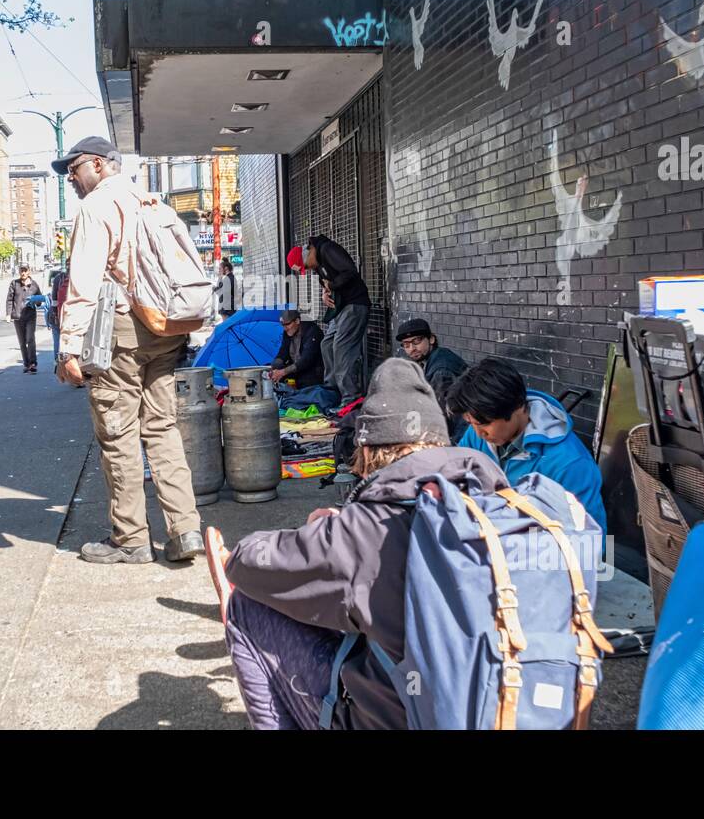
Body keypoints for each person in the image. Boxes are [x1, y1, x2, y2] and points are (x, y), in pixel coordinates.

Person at [203, 359, 511, 728]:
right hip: (515, 708)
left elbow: (247, 562)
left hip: (405, 717)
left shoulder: (368, 529)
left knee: (245, 603)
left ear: (368, 450)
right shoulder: (506, 503)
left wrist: (327, 536)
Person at [52, 136, 203, 564]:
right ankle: (185, 530)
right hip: (165, 327)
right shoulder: (153, 202)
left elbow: (83, 283)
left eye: (75, 168)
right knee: (162, 429)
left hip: (123, 332)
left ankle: (131, 538)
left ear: (99, 165)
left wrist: (69, 349)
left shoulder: (98, 206)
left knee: (118, 435)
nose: (72, 178)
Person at [449, 357, 606, 536]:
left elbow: (590, 541)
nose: (478, 433)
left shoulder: (570, 464)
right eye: (471, 423)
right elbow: (458, 473)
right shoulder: (477, 436)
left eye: (484, 424)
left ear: (517, 409)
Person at [305, 235, 370, 408]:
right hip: (340, 309)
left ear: (309, 252)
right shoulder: (318, 265)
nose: (307, 269)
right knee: (326, 344)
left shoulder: (327, 249)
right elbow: (326, 284)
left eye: (304, 265)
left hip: (354, 304)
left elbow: (350, 271)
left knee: (341, 348)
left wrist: (332, 286)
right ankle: (332, 390)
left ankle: (351, 398)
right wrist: (325, 293)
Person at [395, 318, 469, 442]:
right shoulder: (435, 358)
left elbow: (440, 416)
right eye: (406, 345)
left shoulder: (441, 371)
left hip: (460, 437)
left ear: (431, 339)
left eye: (417, 341)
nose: (412, 348)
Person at [269, 310, 325, 391]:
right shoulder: (287, 332)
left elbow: (307, 360)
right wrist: (274, 366)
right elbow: (283, 352)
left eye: (287, 324)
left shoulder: (312, 331)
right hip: (297, 372)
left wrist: (283, 372)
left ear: (297, 321)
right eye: (282, 325)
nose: (285, 328)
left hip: (313, 374)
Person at [5, 265, 43, 373]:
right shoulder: (14, 283)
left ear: (29, 272)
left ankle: (33, 363)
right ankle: (26, 364)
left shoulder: (34, 285)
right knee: (22, 342)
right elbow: (9, 299)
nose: (23, 273)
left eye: (25, 270)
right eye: (21, 270)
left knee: (30, 339)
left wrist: (36, 300)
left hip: (30, 316)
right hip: (18, 316)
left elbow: (40, 301)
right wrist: (8, 313)